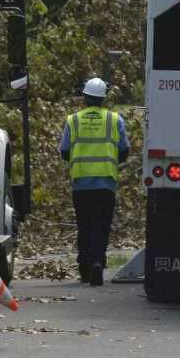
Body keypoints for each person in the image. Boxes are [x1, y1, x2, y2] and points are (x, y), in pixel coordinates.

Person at [60, 77, 129, 286]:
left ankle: (84, 267)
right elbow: (124, 150)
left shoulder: (73, 120)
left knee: (84, 225)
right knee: (101, 224)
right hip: (106, 182)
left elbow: (64, 151)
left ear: (85, 98)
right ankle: (98, 261)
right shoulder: (115, 120)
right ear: (103, 99)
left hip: (81, 183)